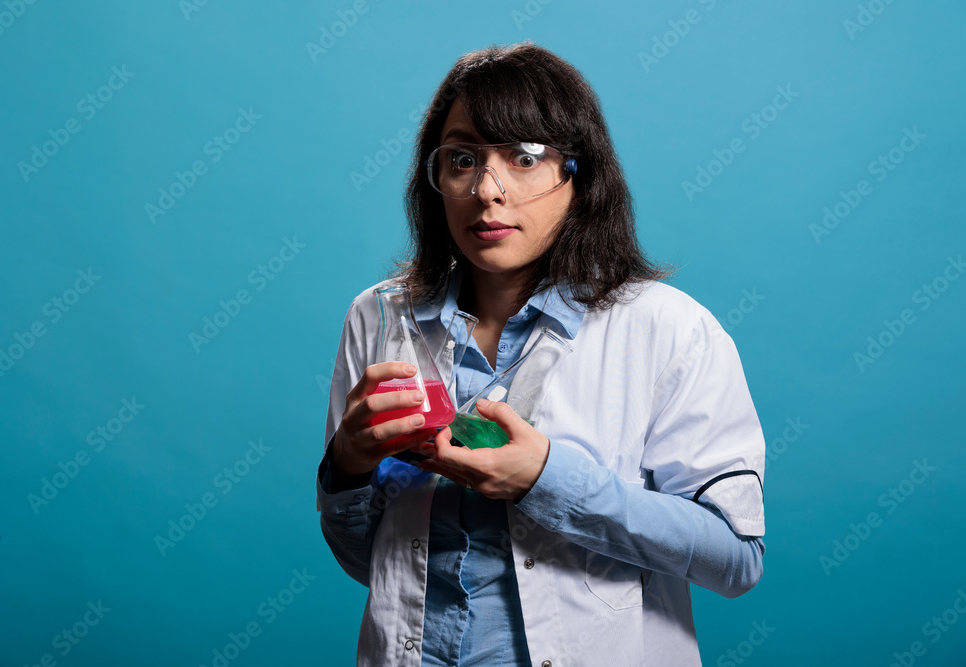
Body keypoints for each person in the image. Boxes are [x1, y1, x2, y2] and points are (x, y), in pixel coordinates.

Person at [317, 43, 765, 667]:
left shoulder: (670, 330)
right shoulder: (377, 317)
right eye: (463, 159)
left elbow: (736, 558)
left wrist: (546, 480)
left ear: (580, 175)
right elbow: (369, 561)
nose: (487, 190)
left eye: (525, 158)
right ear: (435, 176)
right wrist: (348, 468)